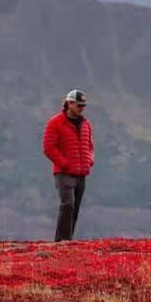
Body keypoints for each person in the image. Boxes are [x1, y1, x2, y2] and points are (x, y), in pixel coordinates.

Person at [42, 89, 94, 242]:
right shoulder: (55, 122)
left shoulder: (86, 124)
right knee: (68, 204)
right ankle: (62, 241)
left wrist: (90, 160)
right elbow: (48, 148)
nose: (81, 108)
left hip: (82, 173)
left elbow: (90, 145)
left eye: (83, 106)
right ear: (69, 103)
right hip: (63, 173)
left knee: (75, 207)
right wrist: (65, 163)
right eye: (78, 105)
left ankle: (67, 240)